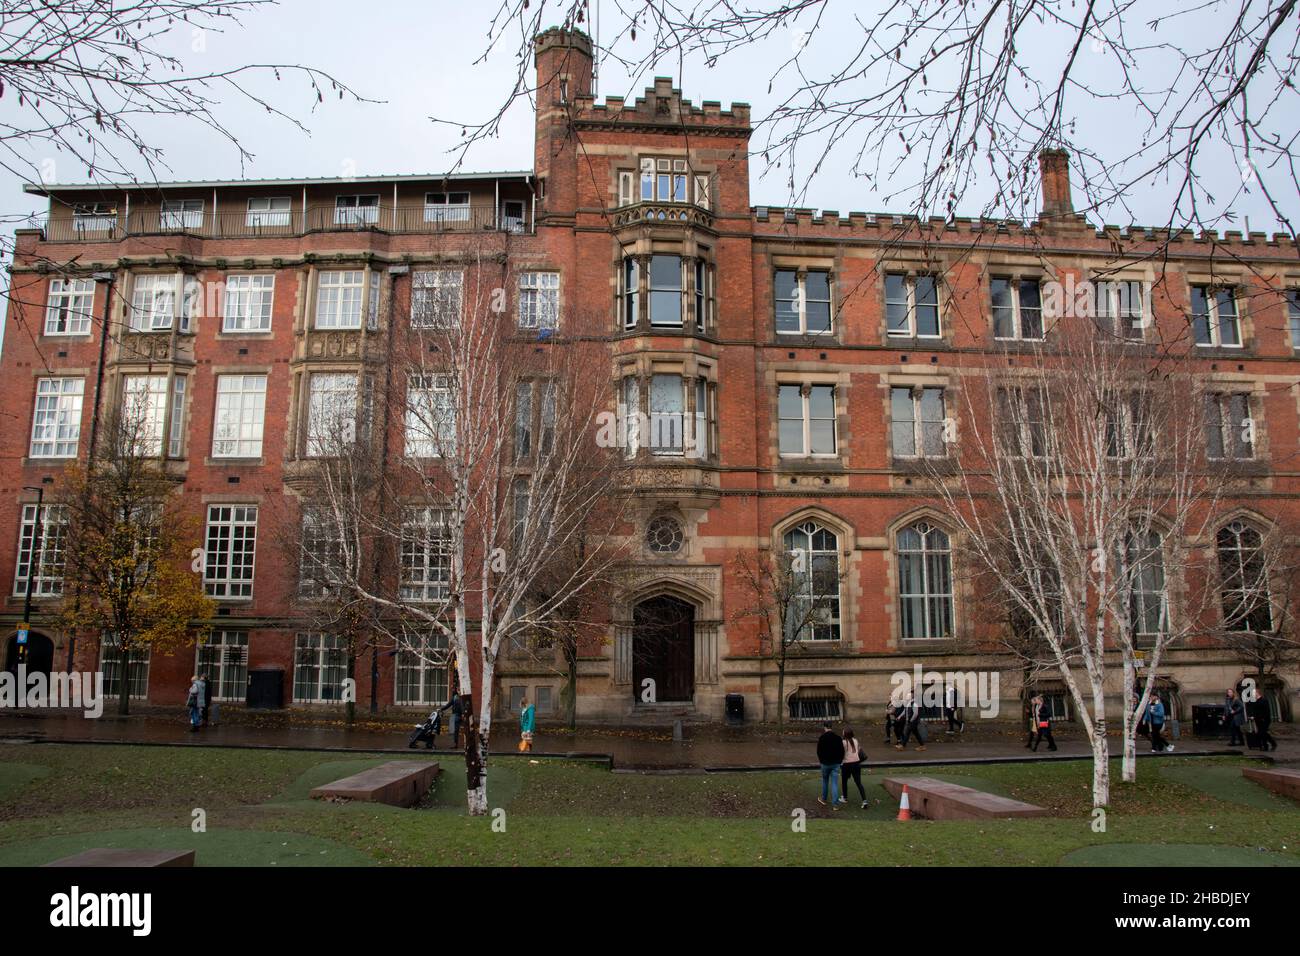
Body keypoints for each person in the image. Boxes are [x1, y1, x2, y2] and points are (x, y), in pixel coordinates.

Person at [816, 721, 845, 807]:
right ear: (831, 727)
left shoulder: (822, 738)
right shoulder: (838, 738)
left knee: (825, 781)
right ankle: (835, 804)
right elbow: (842, 751)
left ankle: (824, 798)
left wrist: (821, 761)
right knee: (834, 783)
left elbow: (819, 751)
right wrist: (839, 761)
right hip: (835, 763)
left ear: (825, 727)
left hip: (825, 763)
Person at [840, 728, 868, 808]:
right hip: (856, 764)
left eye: (843, 732)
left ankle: (845, 798)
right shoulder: (855, 740)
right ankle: (864, 801)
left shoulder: (843, 742)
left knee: (844, 781)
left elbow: (841, 753)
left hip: (847, 764)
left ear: (845, 734)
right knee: (858, 783)